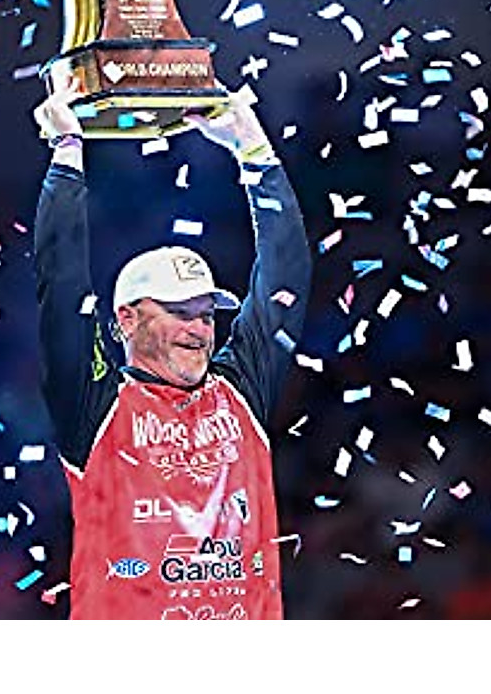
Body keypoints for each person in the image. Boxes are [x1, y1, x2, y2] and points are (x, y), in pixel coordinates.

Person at [32, 83, 311, 619]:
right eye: (180, 312)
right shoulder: (94, 406)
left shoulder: (240, 391)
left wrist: (255, 152)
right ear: (127, 319)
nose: (199, 329)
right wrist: (67, 152)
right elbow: (61, 285)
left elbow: (286, 278)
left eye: (206, 312)